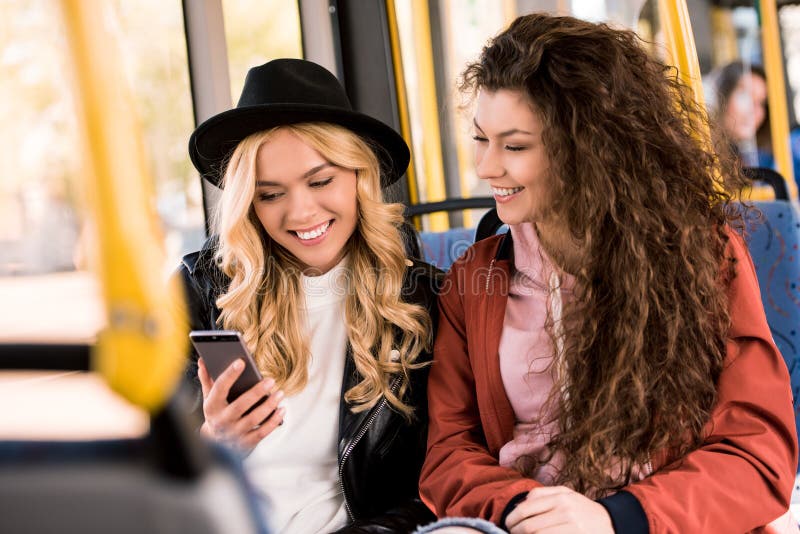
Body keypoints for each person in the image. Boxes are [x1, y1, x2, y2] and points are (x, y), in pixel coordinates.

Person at [417, 13, 798, 534]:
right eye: (481, 138)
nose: (486, 167)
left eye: (515, 146)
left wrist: (615, 518)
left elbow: (757, 451)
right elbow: (449, 453)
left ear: (588, 150)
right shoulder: (476, 279)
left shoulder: (701, 255)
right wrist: (528, 511)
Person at [176, 59, 439, 533]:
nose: (300, 212)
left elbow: (435, 487)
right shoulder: (202, 290)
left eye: (321, 181)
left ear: (360, 177)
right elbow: (150, 476)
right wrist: (213, 439)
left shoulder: (424, 302)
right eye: (270, 194)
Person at [709, 60, 770, 168]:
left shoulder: (742, 159)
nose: (754, 109)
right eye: (745, 96)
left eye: (761, 103)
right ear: (722, 96)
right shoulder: (705, 151)